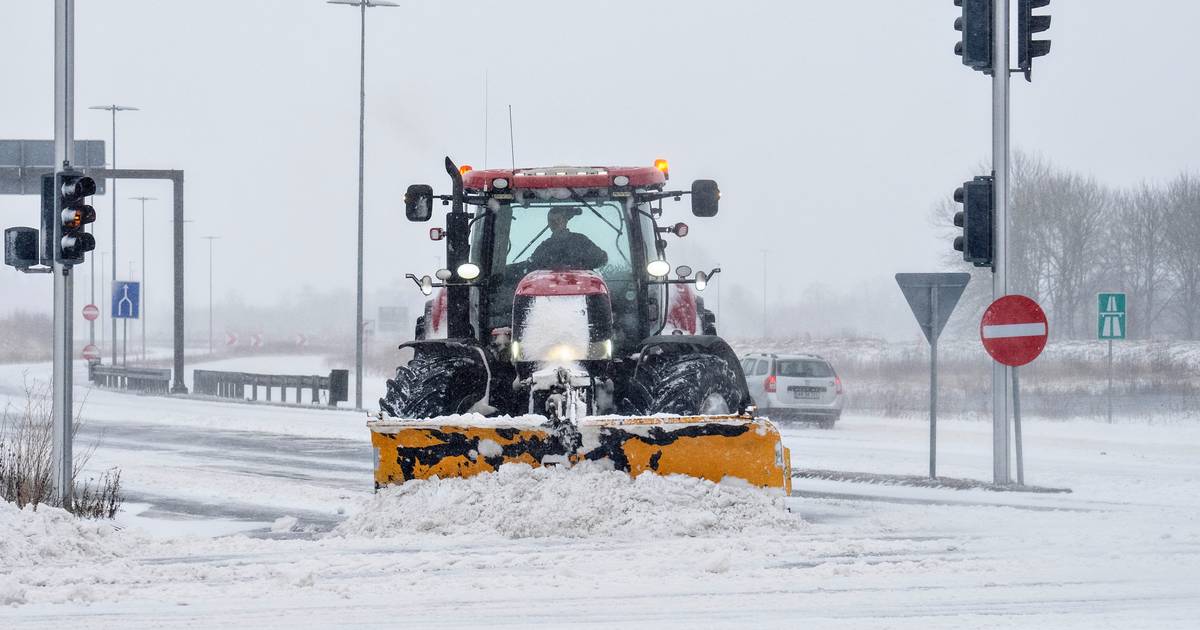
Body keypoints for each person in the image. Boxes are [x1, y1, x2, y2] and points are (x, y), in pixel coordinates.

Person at [528, 206, 608, 270]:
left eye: (558, 219)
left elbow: (601, 259)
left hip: (580, 284)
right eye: (551, 220)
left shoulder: (581, 241)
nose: (555, 223)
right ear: (548, 223)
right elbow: (531, 265)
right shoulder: (544, 247)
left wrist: (582, 265)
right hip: (551, 284)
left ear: (565, 221)